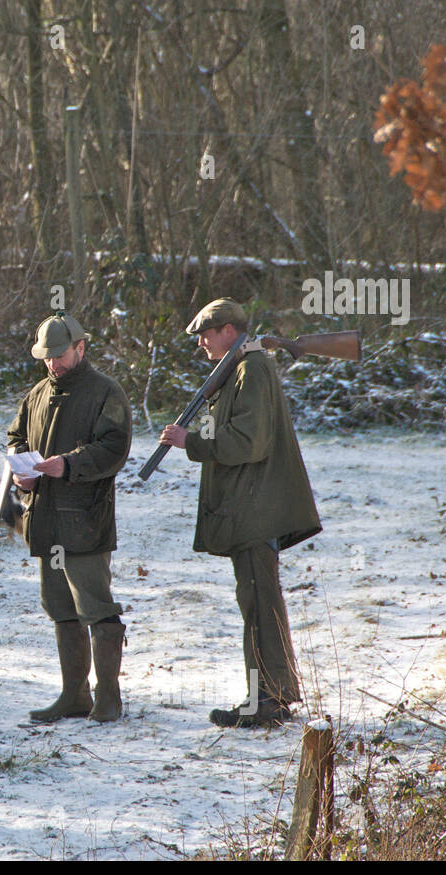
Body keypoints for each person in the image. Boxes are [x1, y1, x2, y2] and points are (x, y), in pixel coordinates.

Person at [158, 298, 321, 727]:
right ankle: (270, 695)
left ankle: (268, 699)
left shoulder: (253, 368)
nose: (200, 343)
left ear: (230, 330)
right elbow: (228, 432)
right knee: (257, 603)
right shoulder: (237, 371)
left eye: (205, 334)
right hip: (247, 508)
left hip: (255, 508)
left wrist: (189, 441)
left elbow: (247, 442)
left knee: (260, 604)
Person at [7, 314, 132, 723]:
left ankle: (108, 698)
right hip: (44, 518)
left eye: (59, 355)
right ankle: (73, 696)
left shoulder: (105, 392)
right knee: (60, 607)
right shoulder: (37, 394)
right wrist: (21, 470)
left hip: (85, 521)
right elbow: (17, 436)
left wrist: (70, 465)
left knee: (96, 606)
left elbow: (115, 447)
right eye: (46, 357)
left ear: (80, 348)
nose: (52, 364)